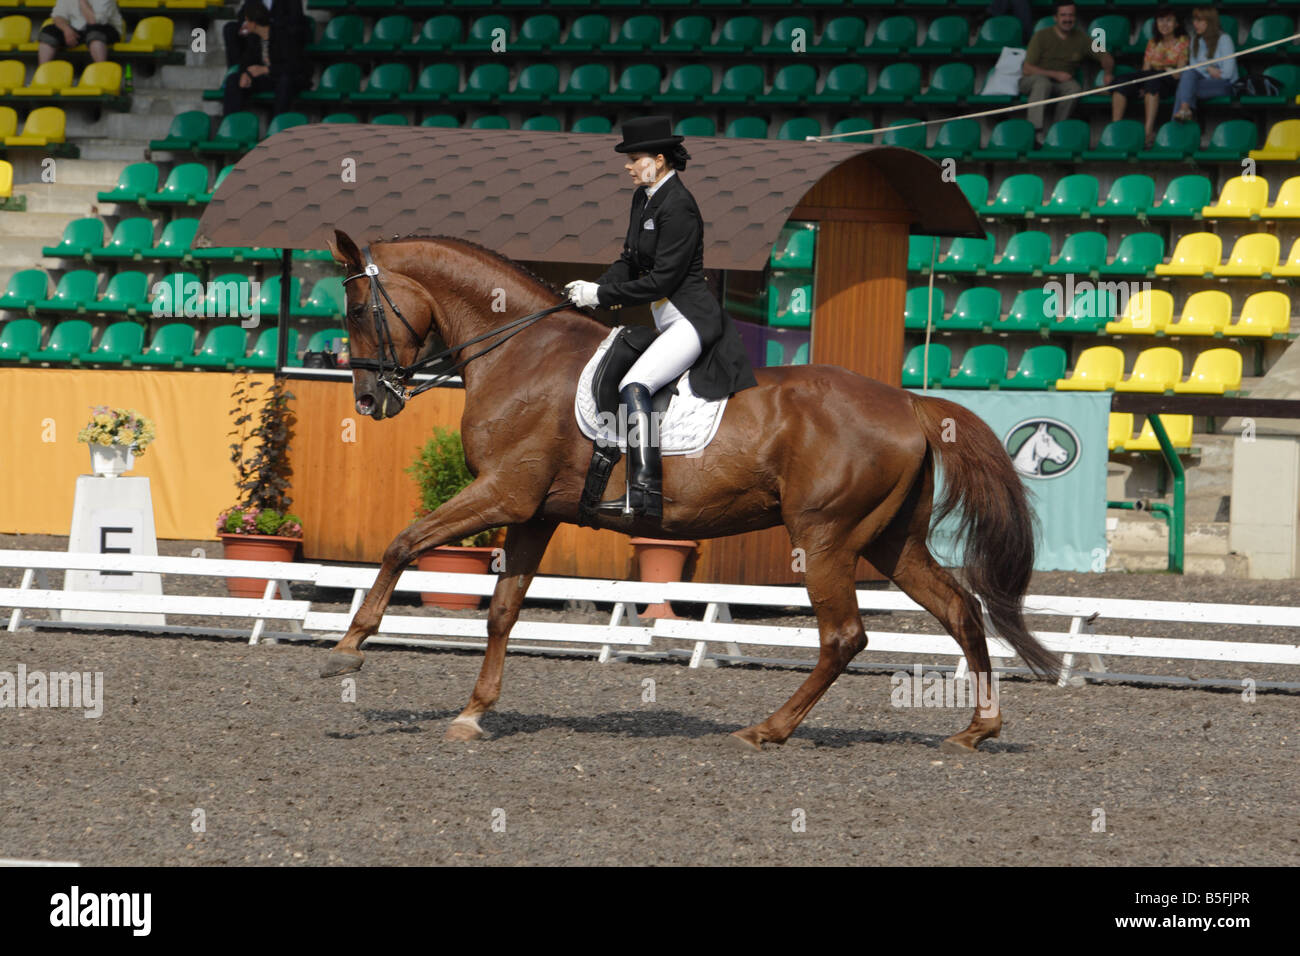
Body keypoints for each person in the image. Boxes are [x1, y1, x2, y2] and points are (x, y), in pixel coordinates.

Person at [564, 116, 757, 520]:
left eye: (635, 159)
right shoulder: (644, 200)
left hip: (691, 318)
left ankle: (646, 493)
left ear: (659, 159)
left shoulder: (680, 206)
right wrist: (591, 291)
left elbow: (660, 281)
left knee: (635, 384)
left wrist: (602, 294)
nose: (629, 166)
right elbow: (629, 262)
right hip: (667, 319)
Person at [1019, 1, 1115, 136]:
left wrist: (1108, 72)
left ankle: (1057, 131)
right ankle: (1035, 132)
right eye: (1063, 15)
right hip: (1033, 80)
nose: (1067, 19)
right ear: (1055, 18)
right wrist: (1055, 74)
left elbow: (1105, 56)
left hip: (1061, 82)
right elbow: (1027, 69)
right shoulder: (1041, 36)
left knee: (1074, 88)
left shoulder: (1081, 38)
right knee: (1043, 83)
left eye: (1071, 15)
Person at [1111, 6, 1189, 147]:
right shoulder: (1153, 42)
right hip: (1151, 77)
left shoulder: (1183, 41)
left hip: (1169, 81)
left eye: (1169, 20)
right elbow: (1145, 69)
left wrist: (1161, 67)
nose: (1164, 24)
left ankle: (1147, 133)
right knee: (1122, 82)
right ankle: (1115, 129)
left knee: (1152, 83)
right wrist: (1141, 84)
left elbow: (1178, 73)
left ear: (1177, 24)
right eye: (1161, 20)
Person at [221, 0, 308, 117]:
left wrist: (266, 70)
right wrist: (245, 74)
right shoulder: (254, 38)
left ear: (254, 23)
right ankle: (230, 123)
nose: (245, 24)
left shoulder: (284, 37)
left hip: (284, 77)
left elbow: (295, 66)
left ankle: (276, 125)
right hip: (267, 79)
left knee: (285, 81)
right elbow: (246, 61)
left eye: (247, 21)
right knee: (233, 79)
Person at [1173, 6, 1236, 122]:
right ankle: (1184, 109)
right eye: (1194, 20)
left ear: (1210, 22)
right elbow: (1193, 68)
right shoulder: (1195, 40)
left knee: (1184, 88)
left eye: (1199, 20)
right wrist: (1208, 69)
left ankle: (1178, 120)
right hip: (1202, 82)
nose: (1194, 23)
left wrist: (1204, 70)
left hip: (1225, 85)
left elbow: (1227, 73)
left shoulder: (1224, 39)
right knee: (1187, 76)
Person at [38, 0, 124, 64]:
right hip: (79, 29)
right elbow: (57, 16)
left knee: (94, 32)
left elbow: (93, 21)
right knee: (48, 31)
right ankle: (42, 73)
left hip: (106, 28)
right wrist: (66, 30)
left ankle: (101, 72)